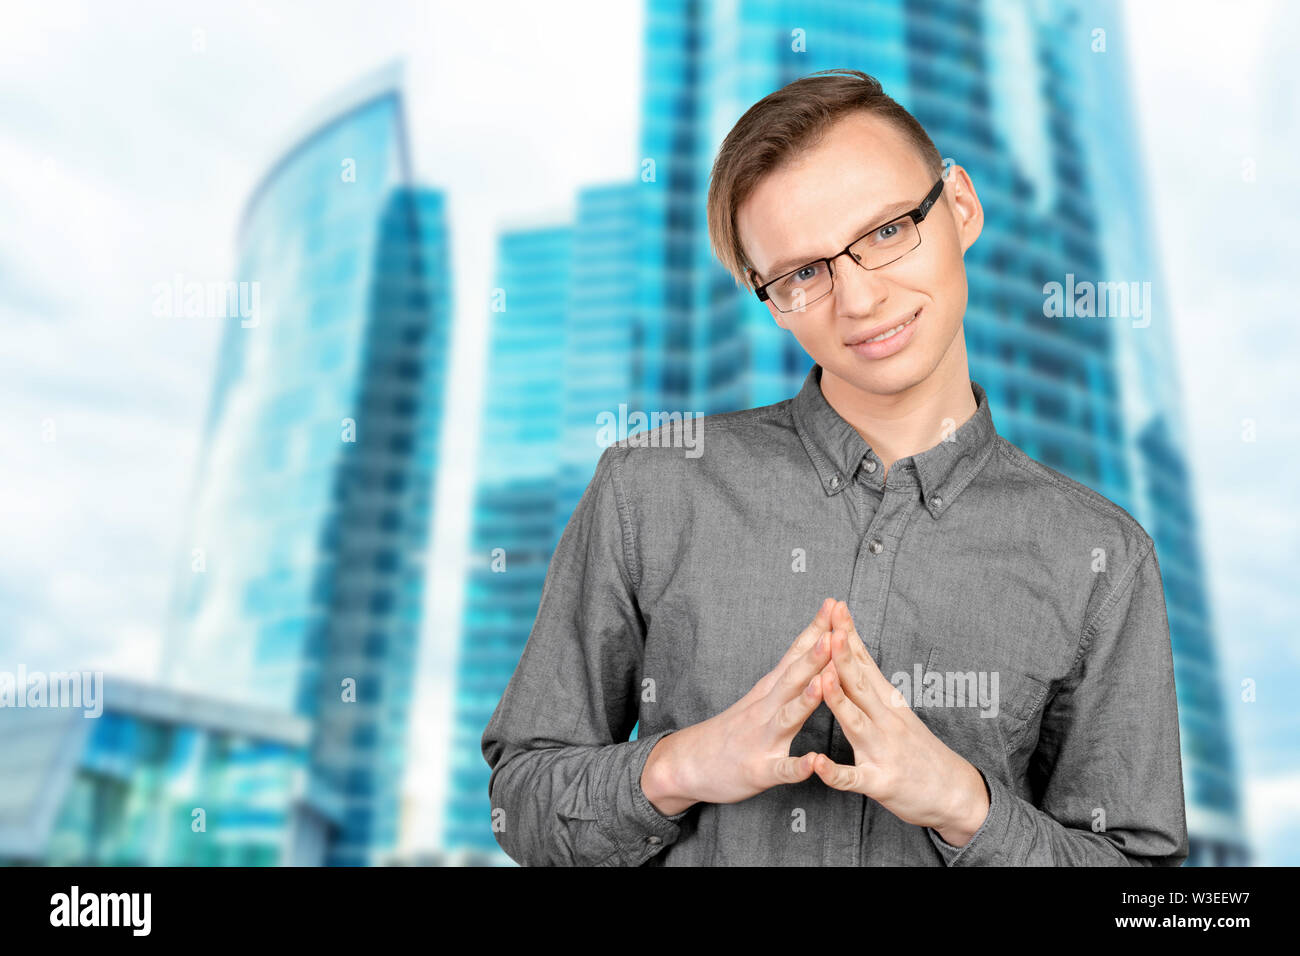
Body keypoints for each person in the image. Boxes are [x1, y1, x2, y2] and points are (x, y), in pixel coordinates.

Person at [481, 68, 1189, 866]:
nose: (858, 300)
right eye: (803, 274)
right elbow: (522, 799)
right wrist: (681, 765)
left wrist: (965, 807)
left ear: (959, 206)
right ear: (768, 296)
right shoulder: (648, 487)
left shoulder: (1099, 557)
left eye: (887, 231)